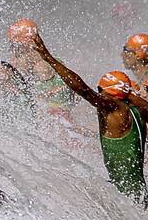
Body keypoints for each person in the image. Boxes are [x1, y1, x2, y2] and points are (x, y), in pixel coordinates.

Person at [29, 31, 148, 208]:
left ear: (109, 96)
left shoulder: (115, 112)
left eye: (101, 91)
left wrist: (49, 58)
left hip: (126, 195)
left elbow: (82, 89)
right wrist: (126, 92)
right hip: (136, 190)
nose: (98, 95)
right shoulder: (140, 111)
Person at [6, 18, 90, 149]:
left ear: (25, 46)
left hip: (57, 121)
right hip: (63, 117)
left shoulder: (40, 68)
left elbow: (42, 100)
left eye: (14, 46)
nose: (13, 52)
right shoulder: (53, 60)